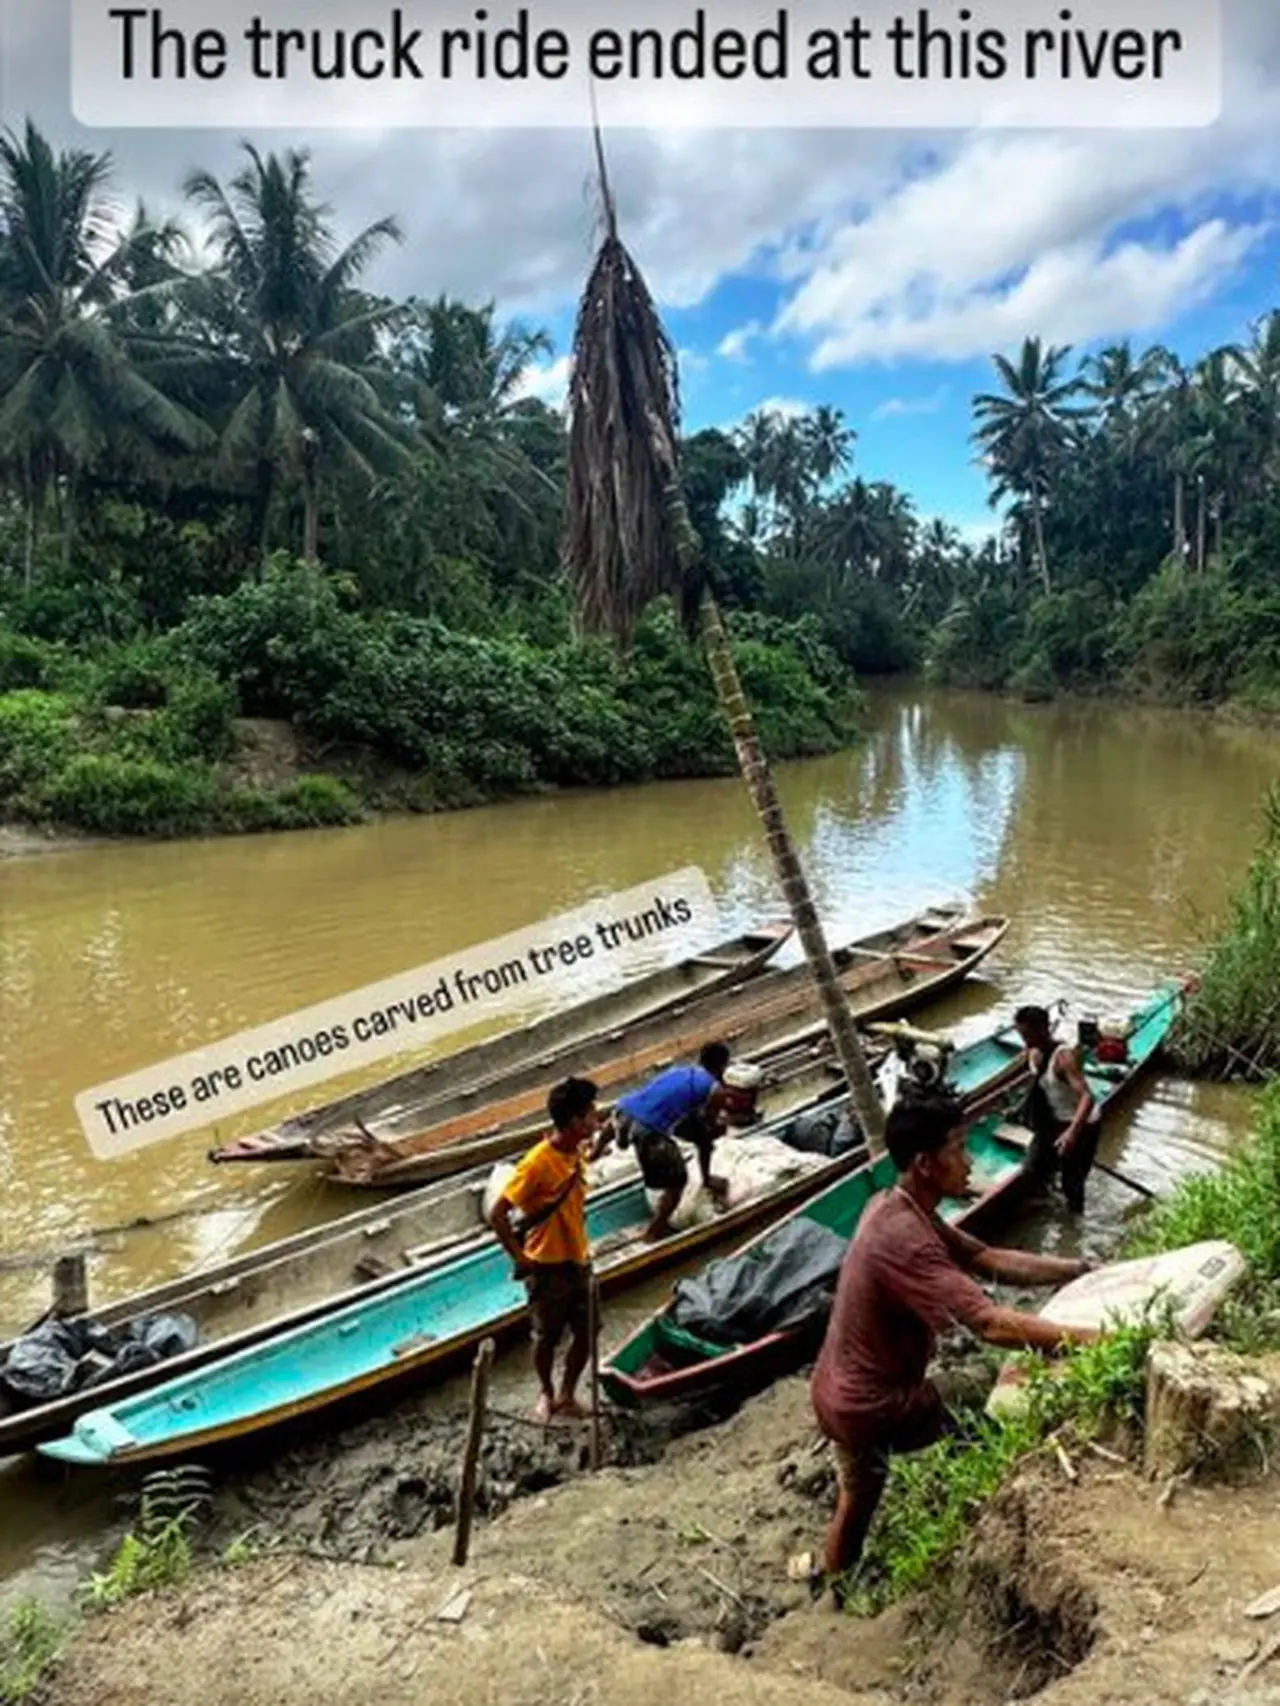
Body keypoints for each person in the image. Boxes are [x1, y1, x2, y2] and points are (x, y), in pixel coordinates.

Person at [809, 1087, 1100, 1601]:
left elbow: (986, 1257)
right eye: (960, 1149)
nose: (969, 1162)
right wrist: (1096, 1340)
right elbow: (988, 1325)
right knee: (992, 1383)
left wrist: (1076, 1269)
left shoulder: (894, 1206)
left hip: (836, 1393)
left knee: (859, 1496)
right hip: (876, 1403)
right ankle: (988, 1507)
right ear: (925, 1163)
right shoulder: (907, 1239)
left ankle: (835, 1584)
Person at [489, 1075, 609, 1425]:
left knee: (588, 1332)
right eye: (590, 1115)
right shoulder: (537, 1163)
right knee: (546, 1337)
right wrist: (520, 1258)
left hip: (579, 1260)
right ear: (574, 1121)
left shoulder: (576, 1152)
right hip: (546, 1266)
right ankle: (546, 1391)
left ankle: (567, 1394)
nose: (596, 1120)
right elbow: (498, 1213)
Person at [607, 1041, 735, 1242]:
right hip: (648, 1130)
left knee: (701, 1140)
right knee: (677, 1183)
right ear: (723, 1066)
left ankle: (706, 1178)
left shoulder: (680, 1071)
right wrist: (719, 1126)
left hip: (623, 1113)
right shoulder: (714, 1090)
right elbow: (709, 1127)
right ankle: (654, 1232)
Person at [1014, 1004, 1102, 1213]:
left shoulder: (1064, 1058)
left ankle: (1075, 1221)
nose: (1025, 1041)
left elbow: (1087, 1097)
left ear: (1043, 1029)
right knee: (1031, 1170)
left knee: (1073, 1183)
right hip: (1055, 1120)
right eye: (1021, 1035)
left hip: (1082, 1124)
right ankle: (1044, 1198)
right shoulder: (1034, 1052)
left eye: (1027, 1035)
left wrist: (1072, 1133)